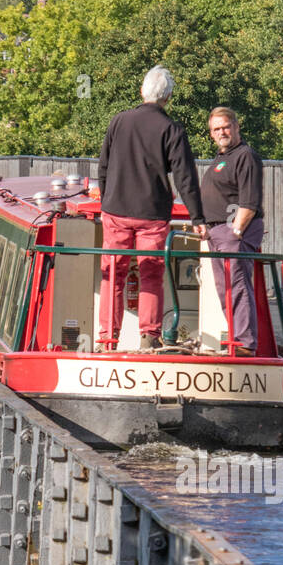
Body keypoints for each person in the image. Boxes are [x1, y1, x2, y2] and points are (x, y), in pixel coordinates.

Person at [97, 66, 206, 351]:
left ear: (141, 92)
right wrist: (197, 216)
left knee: (113, 273)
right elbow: (185, 177)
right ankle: (149, 337)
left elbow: (104, 166)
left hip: (116, 210)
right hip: (153, 213)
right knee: (151, 273)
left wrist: (107, 200)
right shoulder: (171, 129)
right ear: (168, 97)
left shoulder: (118, 121)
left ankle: (108, 339)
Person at [201, 107, 264, 357]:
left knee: (237, 285)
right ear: (211, 134)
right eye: (216, 129)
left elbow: (249, 202)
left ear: (236, 126)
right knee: (224, 288)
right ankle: (237, 341)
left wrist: (235, 232)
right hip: (217, 233)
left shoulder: (245, 156)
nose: (222, 132)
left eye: (226, 126)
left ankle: (245, 344)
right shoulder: (221, 157)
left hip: (233, 231)